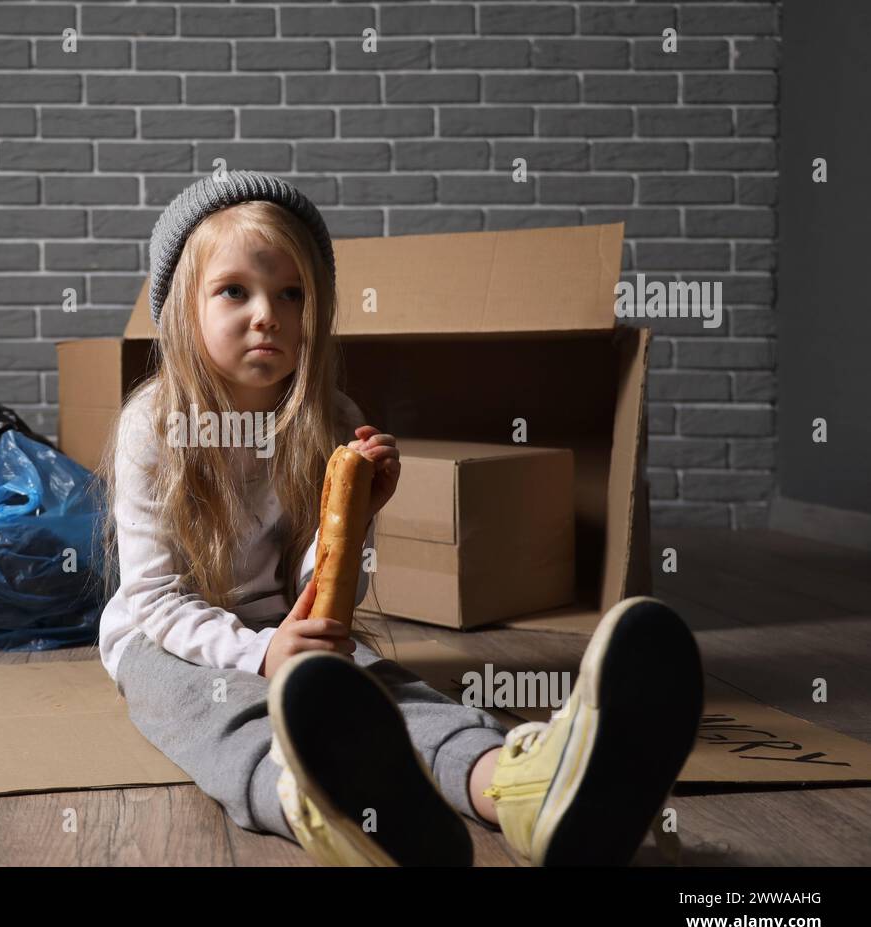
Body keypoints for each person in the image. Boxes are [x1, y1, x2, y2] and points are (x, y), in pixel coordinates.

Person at [93, 170, 704, 866]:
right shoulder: (154, 425)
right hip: (163, 636)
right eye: (235, 290)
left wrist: (350, 524)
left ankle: (517, 788)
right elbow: (155, 599)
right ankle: (318, 802)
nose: (269, 313)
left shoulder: (333, 421)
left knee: (385, 692)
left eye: (292, 293)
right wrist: (259, 656)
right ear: (180, 309)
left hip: (286, 622)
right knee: (213, 711)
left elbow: (318, 595)